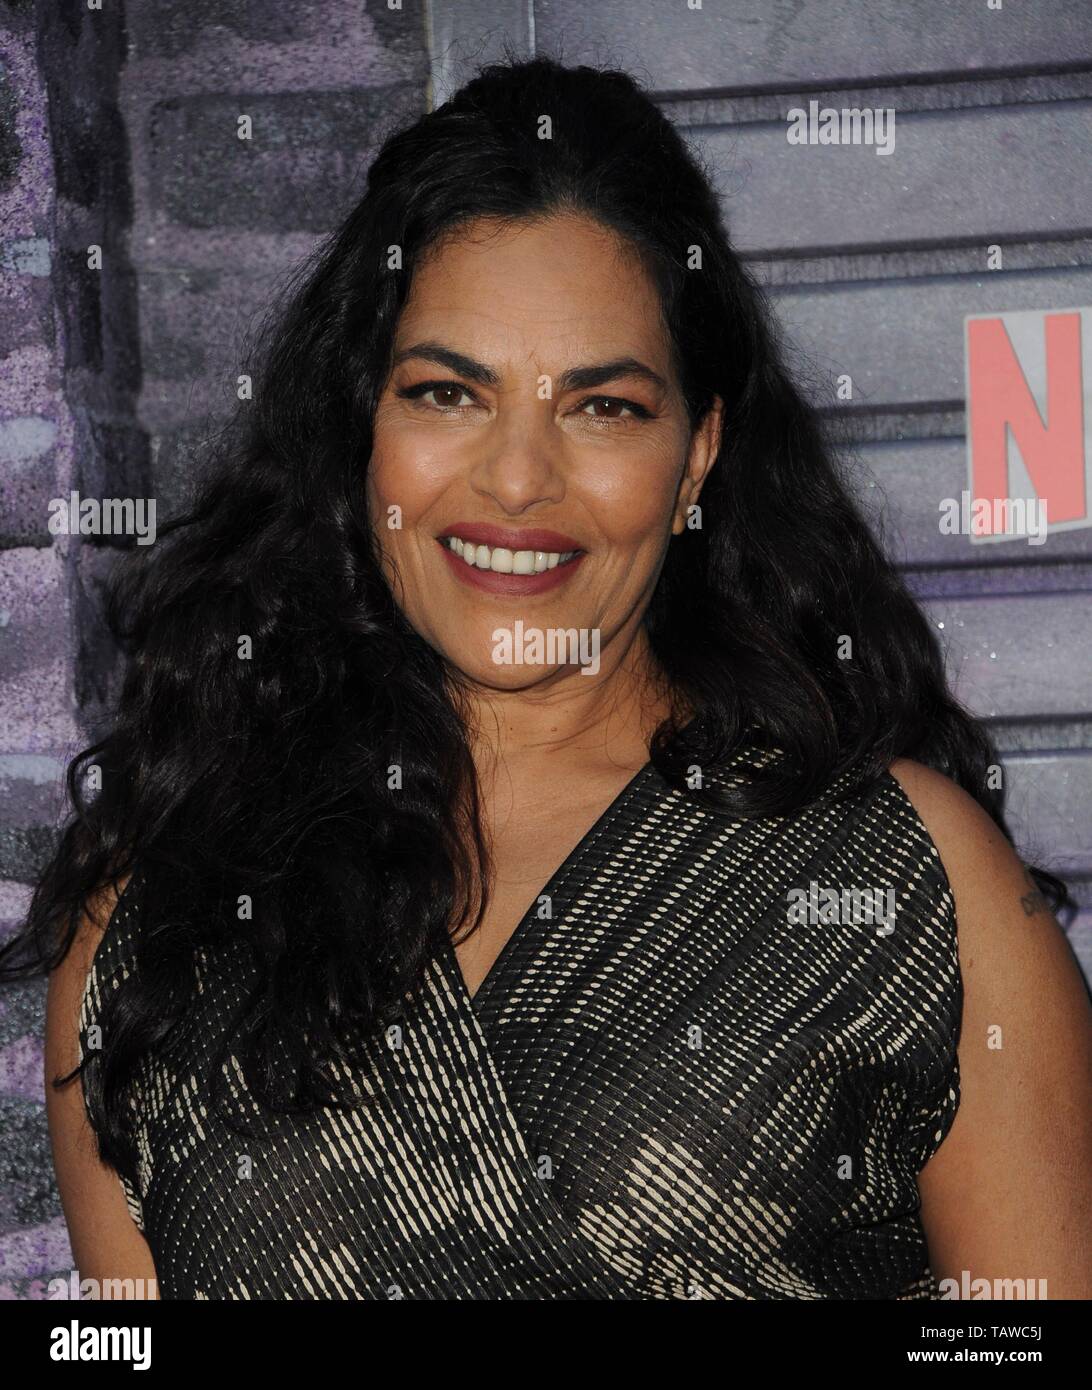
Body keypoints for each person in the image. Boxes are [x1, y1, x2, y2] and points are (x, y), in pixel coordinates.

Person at [5, 55, 1090, 1300]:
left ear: (698, 458)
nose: (517, 479)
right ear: (364, 428)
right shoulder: (160, 917)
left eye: (604, 407)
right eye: (447, 392)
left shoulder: (909, 877)